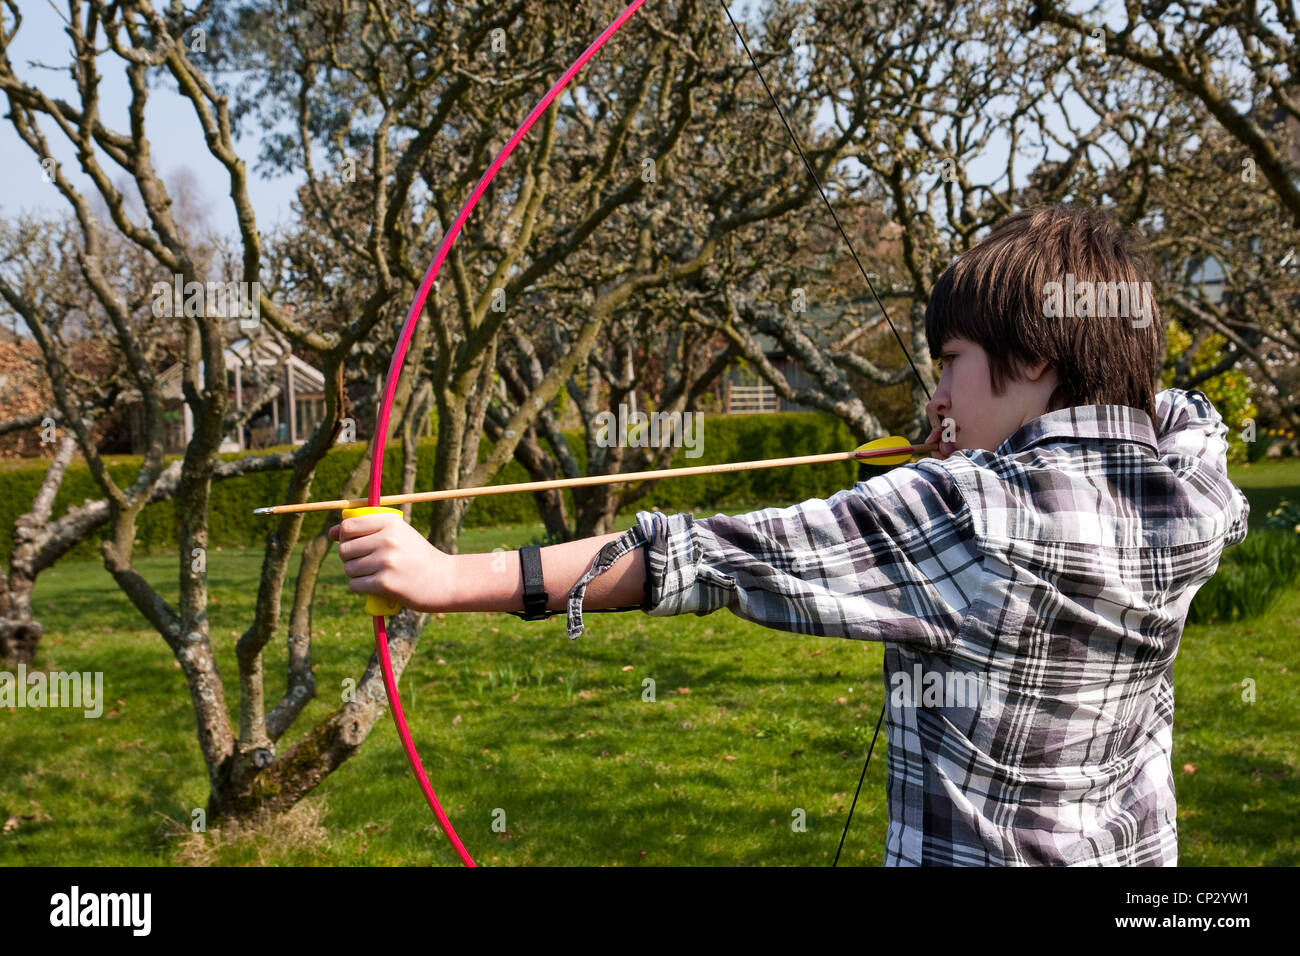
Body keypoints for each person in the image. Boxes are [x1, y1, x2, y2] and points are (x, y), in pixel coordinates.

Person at [331, 205, 1250, 865]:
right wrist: (990, 426)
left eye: (952, 364)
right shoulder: (1188, 481)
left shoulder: (969, 515)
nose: (932, 397)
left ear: (1039, 354)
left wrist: (446, 576)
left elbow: (701, 557)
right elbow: (1162, 411)